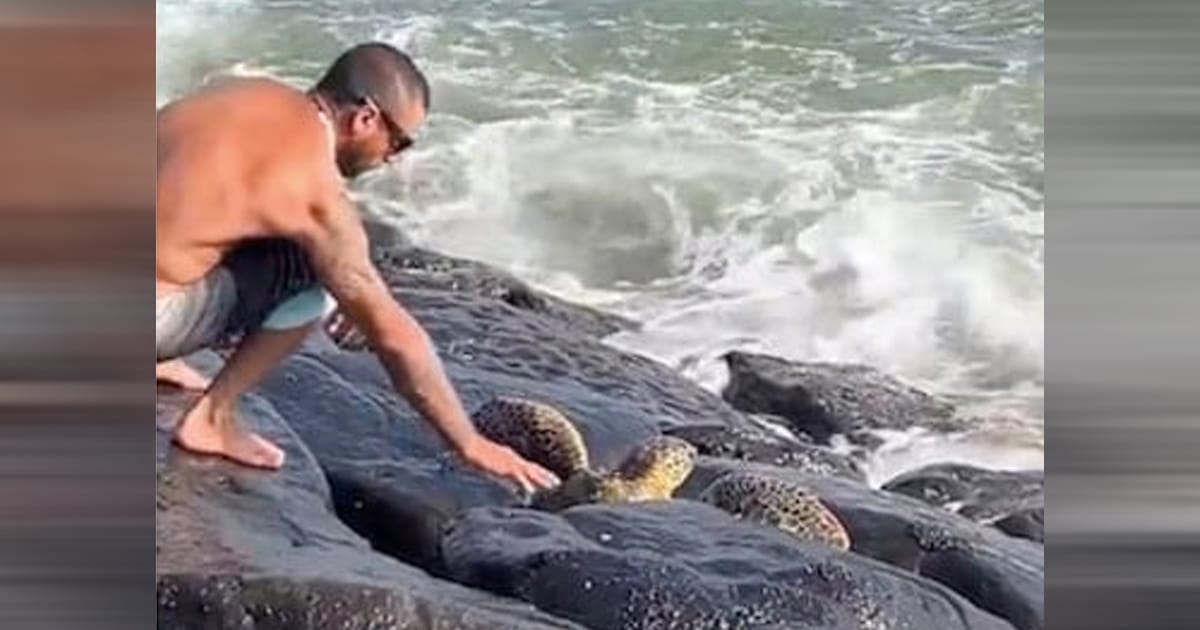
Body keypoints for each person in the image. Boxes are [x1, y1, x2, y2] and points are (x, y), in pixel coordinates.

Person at [156, 42, 559, 493]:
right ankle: (212, 418)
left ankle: (163, 355)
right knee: (310, 272)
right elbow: (393, 337)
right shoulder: (317, 194)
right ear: (365, 118)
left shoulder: (235, 92)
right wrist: (470, 443)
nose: (392, 158)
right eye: (399, 141)